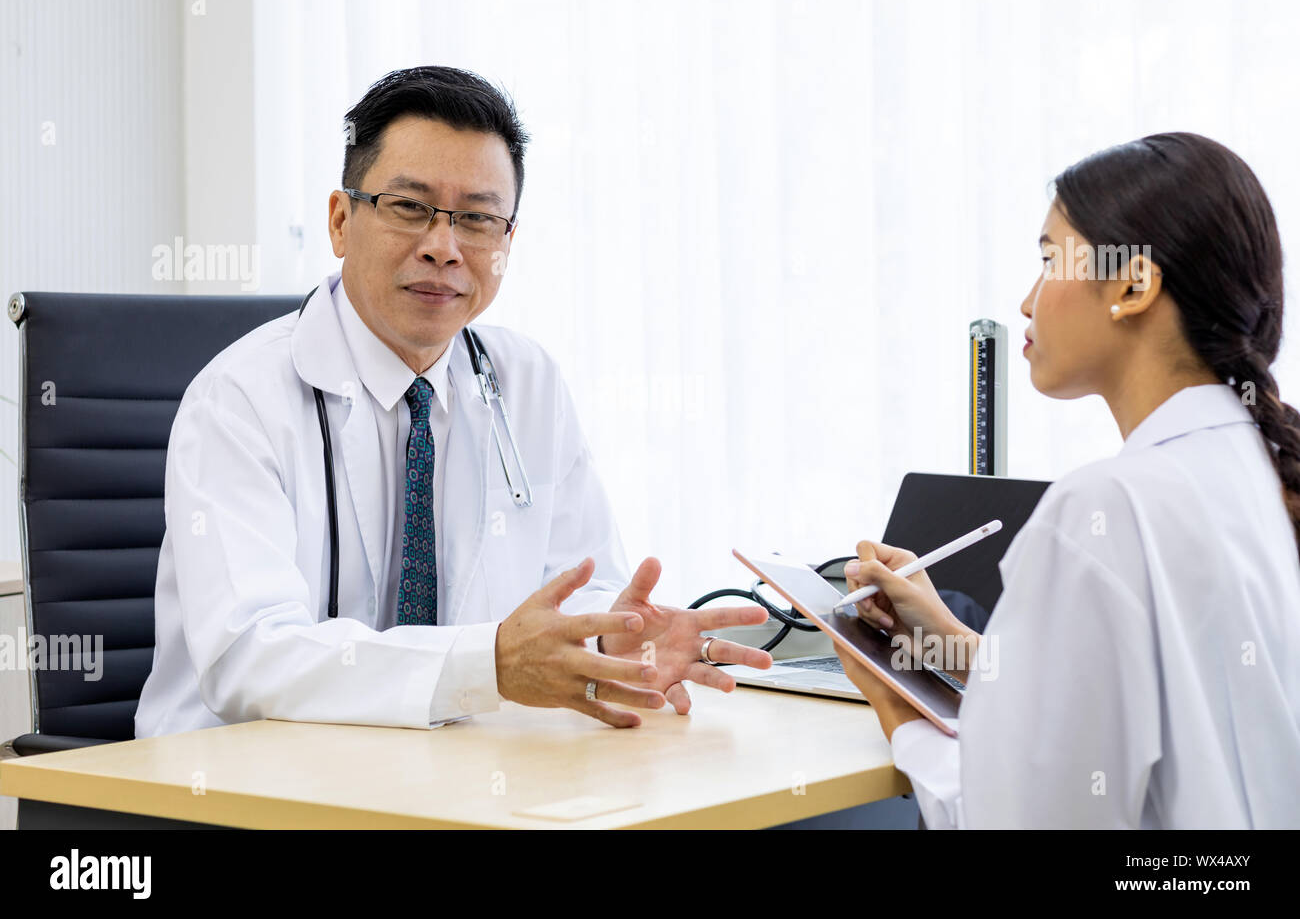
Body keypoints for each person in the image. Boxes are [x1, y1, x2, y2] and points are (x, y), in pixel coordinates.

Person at [135, 66, 772, 738]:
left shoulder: (527, 382)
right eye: (410, 208)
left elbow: (574, 588)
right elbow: (248, 658)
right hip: (234, 788)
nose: (443, 248)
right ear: (341, 221)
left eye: (477, 219)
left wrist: (614, 642)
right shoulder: (239, 399)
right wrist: (484, 665)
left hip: (448, 779)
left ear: (507, 243)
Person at [833, 132, 1300, 827]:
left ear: (1134, 284)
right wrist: (943, 643)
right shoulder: (1251, 473)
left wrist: (901, 711)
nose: (1026, 303)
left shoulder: (1103, 509)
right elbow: (1160, 705)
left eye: (1050, 260)